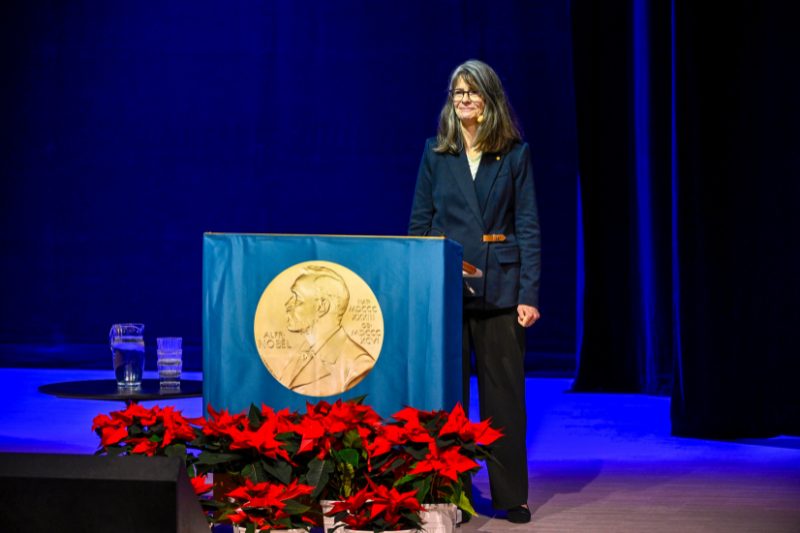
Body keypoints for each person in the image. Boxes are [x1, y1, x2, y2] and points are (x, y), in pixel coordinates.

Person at [408, 59, 541, 523]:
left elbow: (527, 227)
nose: (462, 100)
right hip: (447, 292)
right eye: (456, 93)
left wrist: (529, 294)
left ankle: (511, 496)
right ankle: (454, 496)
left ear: (489, 100)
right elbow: (420, 225)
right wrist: (420, 291)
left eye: (471, 92)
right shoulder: (436, 153)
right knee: (451, 402)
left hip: (502, 292)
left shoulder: (514, 154)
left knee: (503, 399)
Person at [279, 265, 375, 396]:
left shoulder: (359, 366)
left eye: (297, 298)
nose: (287, 305)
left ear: (322, 307)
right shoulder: (301, 352)